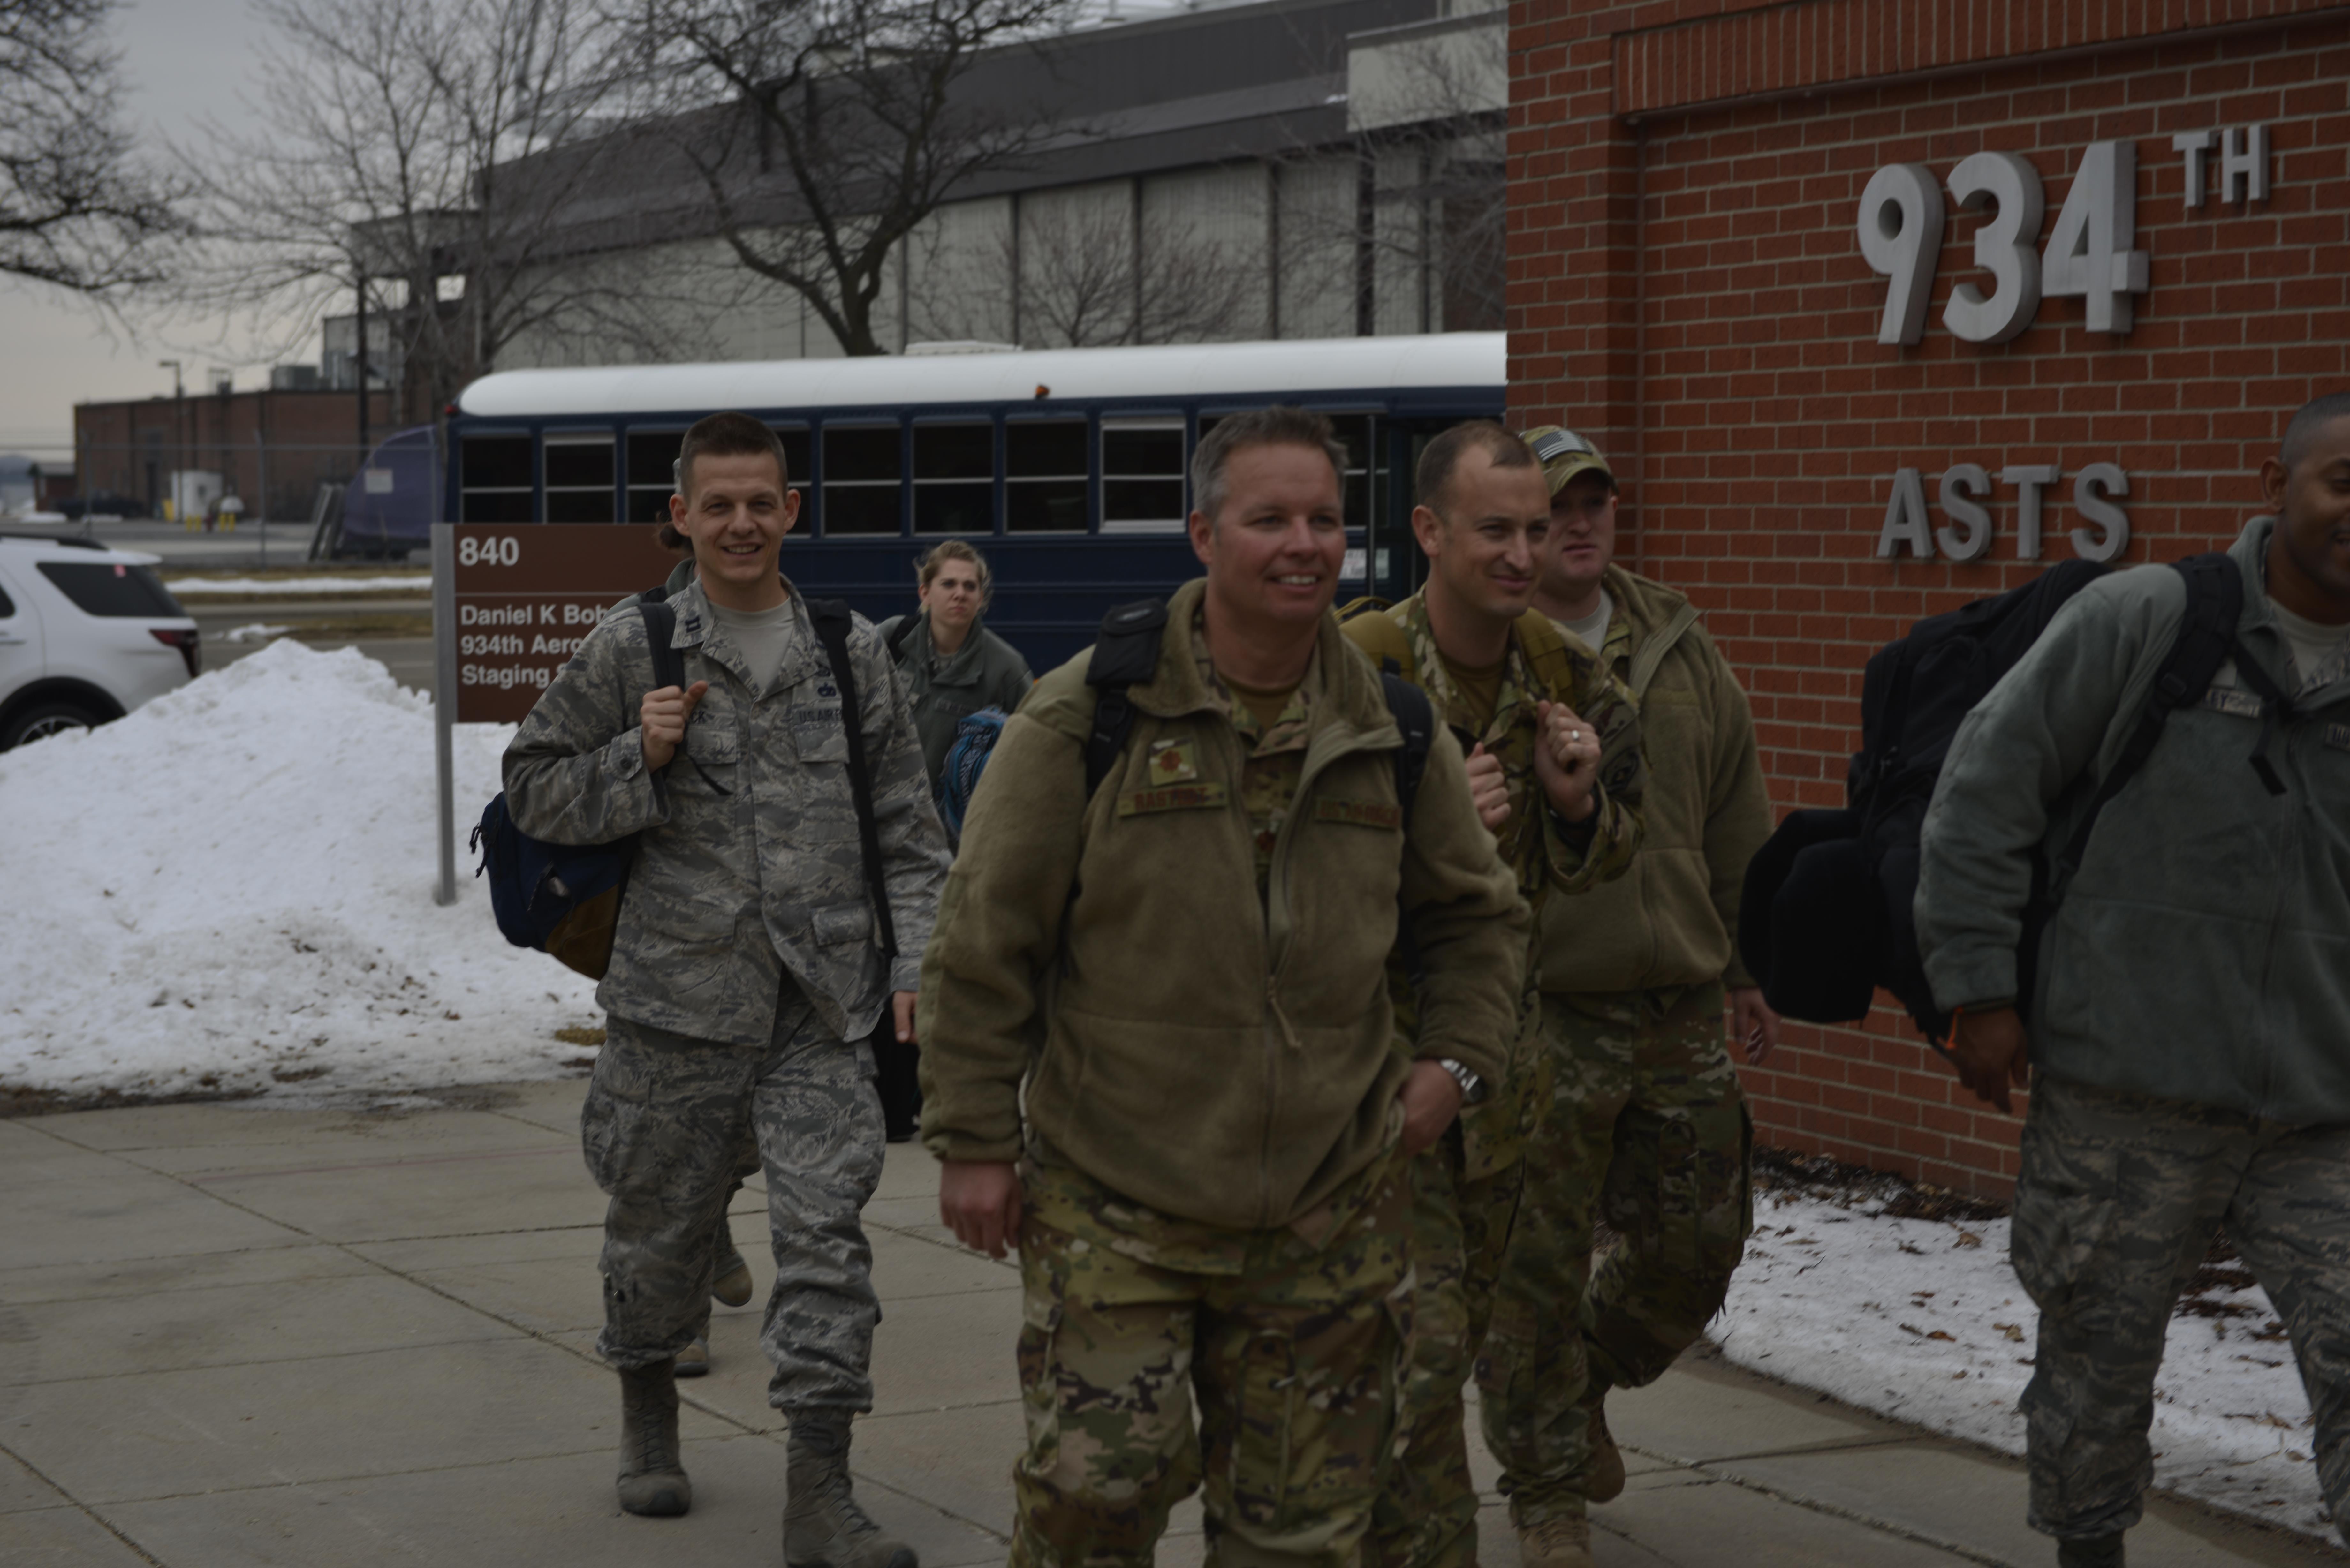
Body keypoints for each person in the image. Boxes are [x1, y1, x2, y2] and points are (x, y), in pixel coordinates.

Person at [918, 405, 1532, 1568]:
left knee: (1303, 1535)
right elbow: (983, 938)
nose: (1303, 544)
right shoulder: (1089, 711)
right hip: (1118, 1199)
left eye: (1323, 520)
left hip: (1327, 1211)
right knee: (1091, 1506)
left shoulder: (1393, 729)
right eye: (1269, 519)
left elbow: (1476, 919)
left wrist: (1455, 1062)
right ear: (1204, 534)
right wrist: (973, 1137)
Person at [503, 411, 950, 1567]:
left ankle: (821, 1491)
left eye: (763, 501)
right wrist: (631, 760)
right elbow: (530, 795)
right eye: (720, 504)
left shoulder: (851, 650)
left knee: (826, 1245)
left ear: (791, 510)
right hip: (674, 1010)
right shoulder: (633, 643)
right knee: (657, 1241)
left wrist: (916, 969)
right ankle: (648, 1408)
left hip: (820, 1008)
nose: (743, 522)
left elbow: (910, 833)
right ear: (683, 514)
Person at [1917, 392, 2350, 1566]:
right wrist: (1978, 990)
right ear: (2278, 482)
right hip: (2126, 1097)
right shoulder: (2149, 619)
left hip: (2321, 1112)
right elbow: (1985, 793)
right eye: (2343, 481)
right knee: (2094, 1386)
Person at [1340, 421, 1645, 1568]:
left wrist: (1575, 807)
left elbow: (1619, 843)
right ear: (1429, 529)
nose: (1525, 553)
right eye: (1496, 530)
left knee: (1498, 1325)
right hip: (1383, 1080)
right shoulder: (1360, 666)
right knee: (1414, 1371)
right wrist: (1422, 824)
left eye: (1535, 529)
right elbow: (1275, 864)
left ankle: (1531, 1493)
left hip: (1506, 1084)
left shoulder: (1565, 673)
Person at [1485, 425, 1776, 1561]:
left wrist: (1751, 965)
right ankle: (1546, 1490)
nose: (1581, 522)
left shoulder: (1677, 640)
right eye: (1558, 506)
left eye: (1596, 502)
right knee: (1538, 1261)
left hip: (1682, 1003)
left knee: (1699, 1243)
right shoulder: (1493, 648)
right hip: (1544, 1002)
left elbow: (1736, 813)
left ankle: (1584, 1380)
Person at [877, 540, 1033, 783]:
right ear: (925, 593)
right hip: (880, 811)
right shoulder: (891, 638)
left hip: (956, 819)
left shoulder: (1007, 670)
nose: (960, 594)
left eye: (970, 587)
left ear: (980, 598)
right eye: (948, 584)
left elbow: (1035, 750)